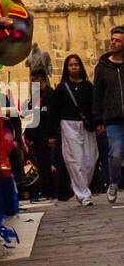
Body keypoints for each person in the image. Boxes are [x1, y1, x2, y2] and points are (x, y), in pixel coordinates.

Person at [53, 54, 97, 207]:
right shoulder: (61, 88)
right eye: (70, 65)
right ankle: (84, 194)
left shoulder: (88, 86)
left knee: (90, 160)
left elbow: (94, 107)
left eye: (76, 64)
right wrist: (53, 134)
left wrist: (98, 124)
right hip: (69, 125)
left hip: (87, 126)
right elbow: (55, 111)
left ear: (80, 67)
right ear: (66, 68)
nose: (73, 67)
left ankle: (81, 187)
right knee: (75, 160)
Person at [93, 25, 124, 203]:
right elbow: (97, 94)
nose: (113, 42)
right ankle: (113, 182)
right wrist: (98, 119)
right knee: (116, 153)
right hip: (114, 119)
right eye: (112, 39)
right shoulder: (102, 67)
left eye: (117, 40)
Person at [22, 54, 59, 202]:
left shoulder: (51, 95)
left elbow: (52, 117)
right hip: (37, 137)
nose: (32, 82)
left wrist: (52, 136)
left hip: (47, 136)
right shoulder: (37, 95)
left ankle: (53, 191)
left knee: (51, 164)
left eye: (35, 79)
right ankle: (46, 191)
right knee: (42, 166)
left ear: (42, 79)